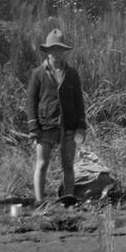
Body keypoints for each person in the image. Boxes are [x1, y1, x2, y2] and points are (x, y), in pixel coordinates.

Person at [27, 28, 89, 204]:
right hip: (45, 124)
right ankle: (39, 201)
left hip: (69, 125)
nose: (56, 53)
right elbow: (31, 102)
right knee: (42, 164)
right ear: (47, 51)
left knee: (68, 165)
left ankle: (68, 199)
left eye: (59, 50)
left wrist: (81, 126)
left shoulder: (72, 74)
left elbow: (79, 101)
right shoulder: (38, 74)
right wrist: (33, 127)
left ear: (63, 52)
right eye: (52, 50)